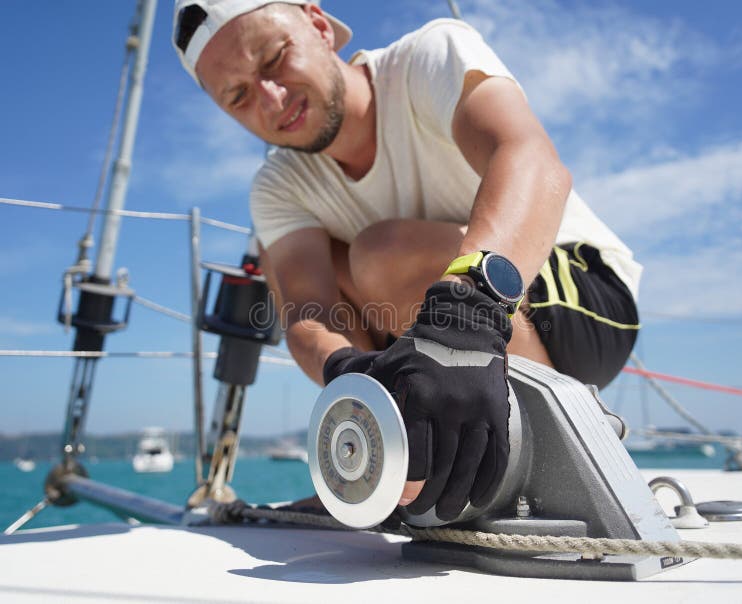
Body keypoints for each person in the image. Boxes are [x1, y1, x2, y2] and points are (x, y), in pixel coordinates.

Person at [172, 0, 641, 521]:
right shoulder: (278, 188)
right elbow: (309, 314)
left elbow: (531, 159)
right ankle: (429, 467)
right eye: (239, 96)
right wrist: (354, 373)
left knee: (380, 254)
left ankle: (550, 449)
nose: (271, 98)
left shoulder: (426, 57)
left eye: (274, 59)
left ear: (319, 25)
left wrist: (467, 310)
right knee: (297, 260)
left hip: (579, 298)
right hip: (441, 332)